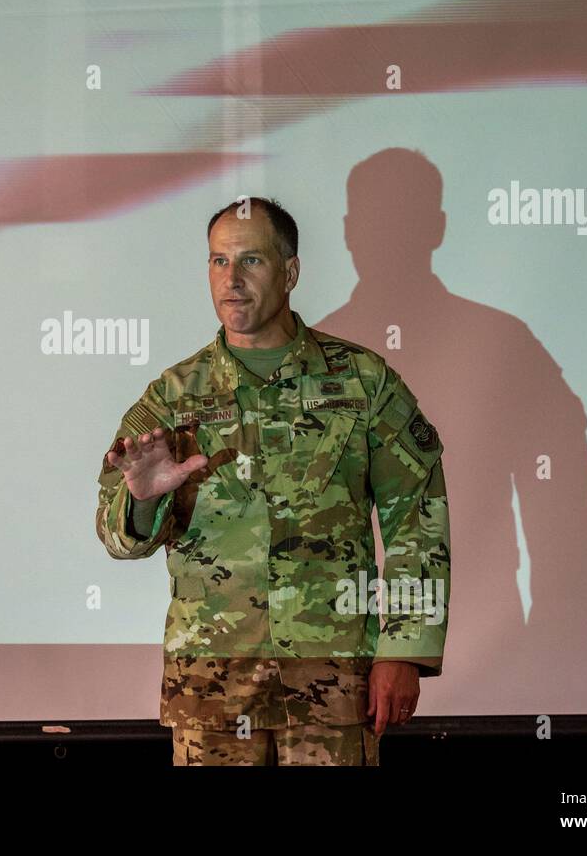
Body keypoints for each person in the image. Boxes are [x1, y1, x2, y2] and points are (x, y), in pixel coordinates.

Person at [94, 196, 451, 766]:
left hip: (333, 683)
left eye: (250, 261)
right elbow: (114, 536)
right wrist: (140, 502)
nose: (230, 280)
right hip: (211, 687)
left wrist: (404, 648)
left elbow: (417, 516)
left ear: (290, 272)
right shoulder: (172, 397)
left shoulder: (363, 383)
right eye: (217, 262)